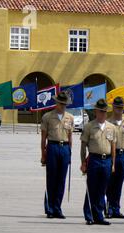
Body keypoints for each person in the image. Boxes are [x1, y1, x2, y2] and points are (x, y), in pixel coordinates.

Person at [80, 99, 116, 225]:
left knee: (102, 189)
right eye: (101, 111)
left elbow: (113, 147)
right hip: (94, 159)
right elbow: (83, 146)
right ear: (96, 112)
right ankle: (89, 215)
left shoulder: (111, 128)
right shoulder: (89, 126)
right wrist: (83, 162)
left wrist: (113, 163)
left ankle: (99, 215)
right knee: (92, 188)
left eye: (105, 112)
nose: (103, 114)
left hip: (106, 160)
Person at [40, 91, 74, 219]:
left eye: (65, 104)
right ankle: (49, 208)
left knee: (61, 180)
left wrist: (69, 153)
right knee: (51, 179)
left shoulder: (69, 118)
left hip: (64, 147)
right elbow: (43, 138)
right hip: (52, 146)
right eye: (61, 103)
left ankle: (57, 208)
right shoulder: (48, 117)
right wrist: (43, 154)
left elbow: (70, 137)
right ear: (56, 103)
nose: (63, 106)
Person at [106, 97, 124, 219]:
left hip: (122, 155)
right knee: (110, 183)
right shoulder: (108, 123)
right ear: (113, 108)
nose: (119, 110)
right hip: (111, 155)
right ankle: (109, 208)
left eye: (121, 108)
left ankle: (116, 208)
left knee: (119, 183)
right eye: (117, 107)